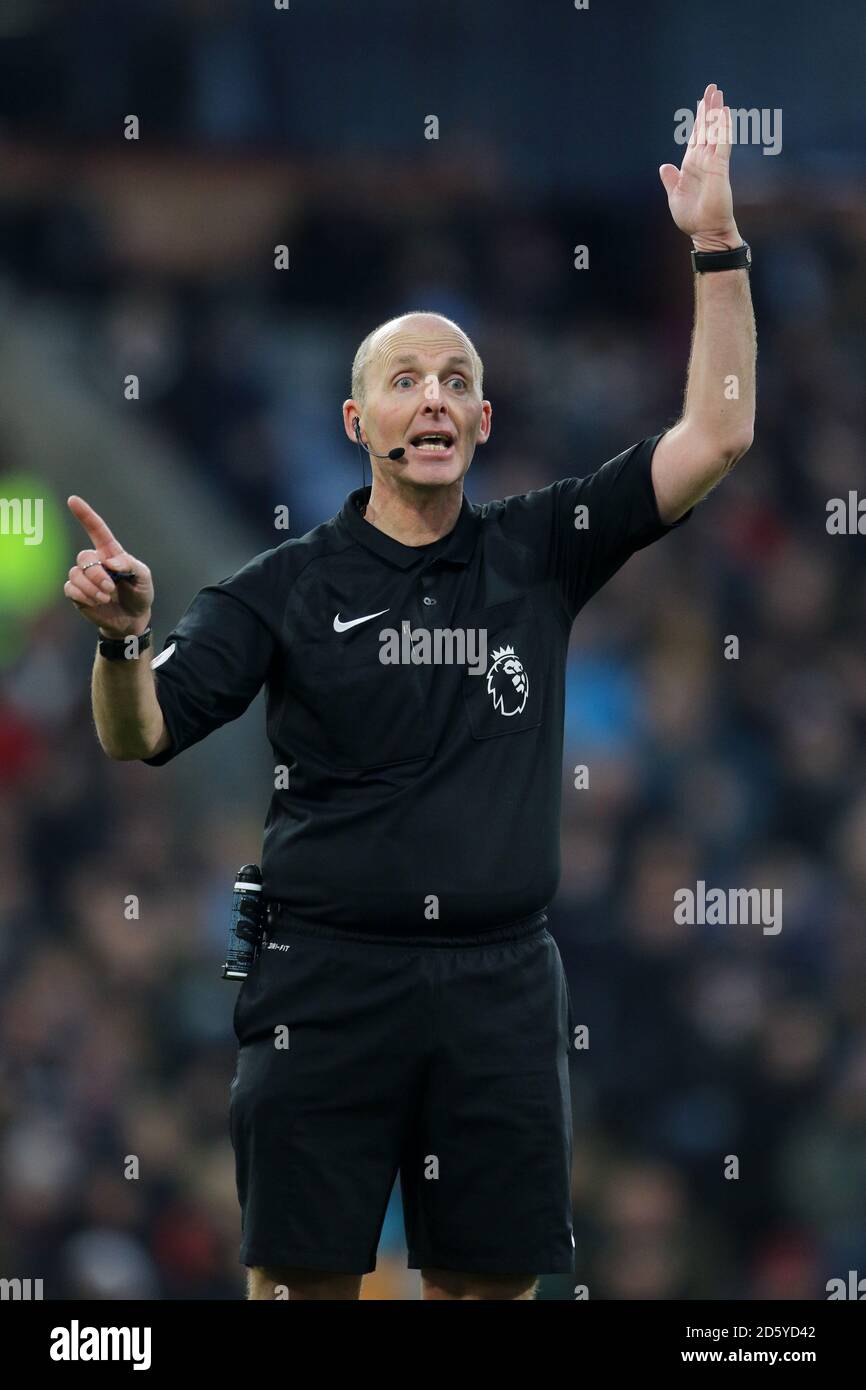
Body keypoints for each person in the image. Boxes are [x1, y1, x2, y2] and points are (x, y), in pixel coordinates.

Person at [64, 84, 755, 1300]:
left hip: (495, 984)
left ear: (483, 420)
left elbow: (717, 436)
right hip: (322, 981)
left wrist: (712, 241)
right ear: (355, 418)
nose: (430, 396)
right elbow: (143, 733)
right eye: (403, 379)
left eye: (453, 379)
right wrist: (123, 644)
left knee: (488, 1291)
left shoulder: (539, 549)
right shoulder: (276, 589)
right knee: (298, 1287)